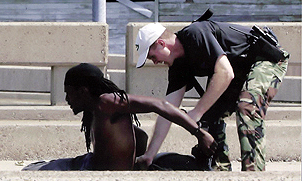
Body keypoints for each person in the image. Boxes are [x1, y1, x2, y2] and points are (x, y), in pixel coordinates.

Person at [134, 16, 289, 171]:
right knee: (210, 118)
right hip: (238, 70)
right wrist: (150, 154)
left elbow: (225, 73)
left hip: (265, 59)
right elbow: (167, 110)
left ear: (162, 44)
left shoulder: (195, 34)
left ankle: (254, 176)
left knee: (247, 107)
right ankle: (219, 174)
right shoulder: (178, 65)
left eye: (152, 57)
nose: (154, 62)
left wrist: (197, 111)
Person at [22, 63, 216, 171]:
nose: (66, 99)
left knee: (32, 173)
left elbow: (160, 105)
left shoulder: (107, 102)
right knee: (34, 168)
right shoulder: (95, 108)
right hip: (89, 163)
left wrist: (199, 133)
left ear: (82, 91)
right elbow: (138, 135)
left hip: (96, 171)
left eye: (69, 93)